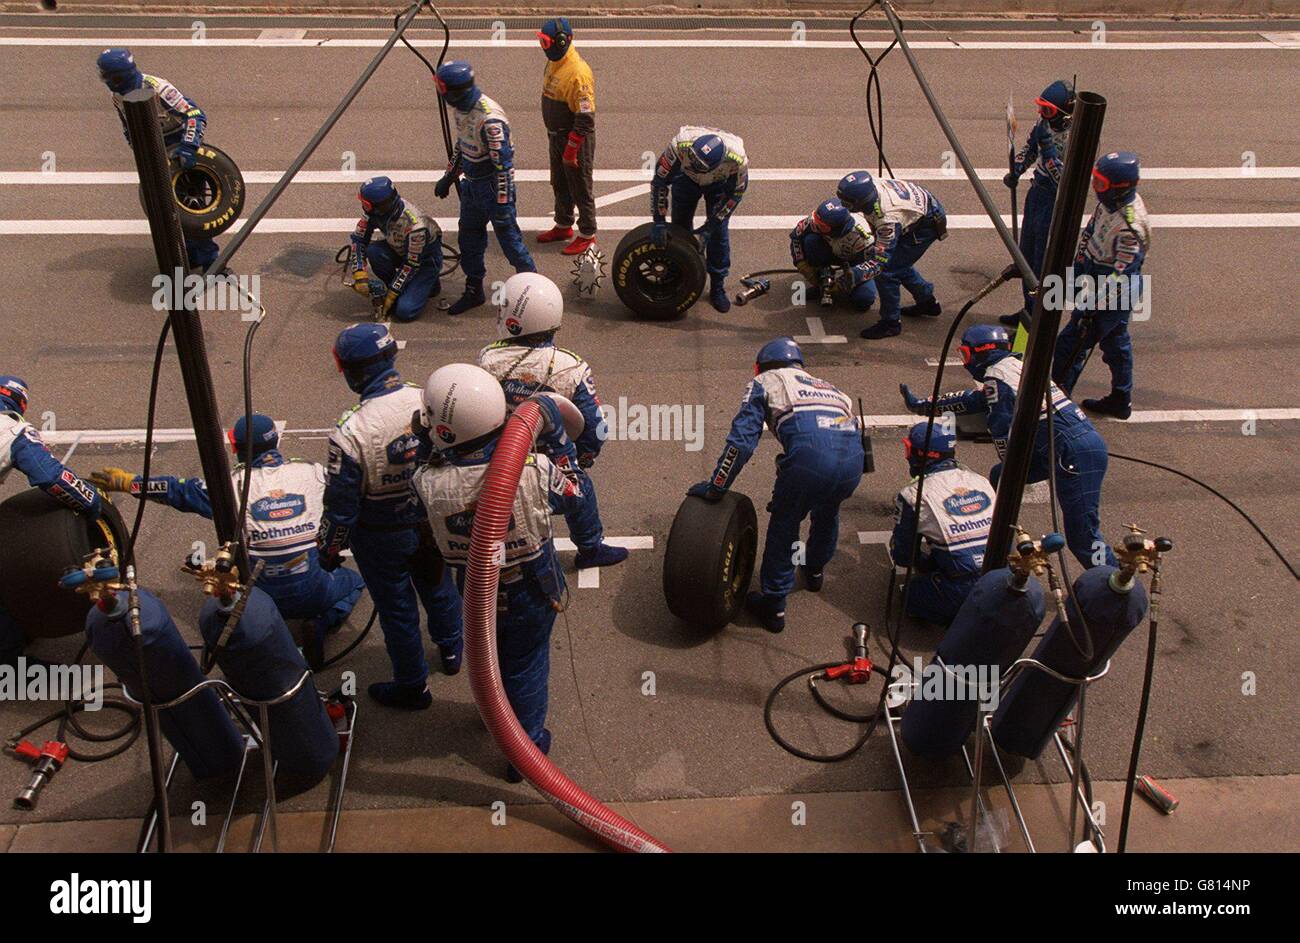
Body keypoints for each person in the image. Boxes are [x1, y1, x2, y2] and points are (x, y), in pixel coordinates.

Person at [412, 363, 587, 782]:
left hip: (473, 589)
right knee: (525, 665)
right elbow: (576, 493)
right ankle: (522, 749)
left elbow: (422, 506)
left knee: (486, 655)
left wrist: (426, 444)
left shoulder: (426, 482)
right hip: (531, 584)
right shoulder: (534, 471)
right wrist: (560, 443)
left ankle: (494, 712)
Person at [90, 413, 365, 651]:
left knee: (231, 587)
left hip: (260, 595)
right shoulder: (313, 473)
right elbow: (348, 501)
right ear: (276, 442)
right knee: (354, 581)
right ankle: (322, 622)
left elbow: (177, 491)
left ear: (235, 447)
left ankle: (265, 630)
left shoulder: (230, 485)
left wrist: (129, 483)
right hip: (314, 590)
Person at [320, 324, 463, 709]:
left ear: (350, 371)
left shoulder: (350, 431)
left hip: (380, 536)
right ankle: (452, 650)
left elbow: (340, 507)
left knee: (397, 612)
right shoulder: (428, 401)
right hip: (431, 522)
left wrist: (329, 550)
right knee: (439, 589)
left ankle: (412, 686)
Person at [899, 324, 1116, 569]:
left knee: (1083, 536)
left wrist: (1010, 467)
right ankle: (992, 537)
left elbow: (1001, 428)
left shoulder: (998, 378)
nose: (964, 363)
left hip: (1072, 452)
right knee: (999, 476)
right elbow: (974, 400)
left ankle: (1112, 586)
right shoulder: (1013, 367)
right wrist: (924, 406)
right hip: (1062, 447)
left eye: (966, 355)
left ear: (982, 352)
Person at [688, 338, 864, 632]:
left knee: (785, 523)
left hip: (809, 463)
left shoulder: (765, 382)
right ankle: (815, 569)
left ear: (761, 366)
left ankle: (774, 605)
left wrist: (717, 485)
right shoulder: (833, 389)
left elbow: (741, 443)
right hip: (853, 465)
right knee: (828, 510)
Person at [477, 272, 628, 569]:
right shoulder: (571, 366)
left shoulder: (487, 359)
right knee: (581, 492)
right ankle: (589, 549)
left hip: (496, 468)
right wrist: (581, 460)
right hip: (549, 470)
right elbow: (595, 429)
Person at [0, 377, 102, 666]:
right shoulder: (13, 429)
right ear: (20, 405)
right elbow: (51, 477)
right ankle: (7, 666)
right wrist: (91, 502)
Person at [96, 47, 221, 273]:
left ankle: (213, 262)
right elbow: (128, 127)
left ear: (118, 76)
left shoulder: (158, 87)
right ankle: (190, 252)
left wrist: (189, 147)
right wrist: (141, 151)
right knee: (168, 208)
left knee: (193, 206)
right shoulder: (117, 96)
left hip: (182, 143)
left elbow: (195, 114)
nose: (103, 80)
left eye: (105, 76)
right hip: (156, 148)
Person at [1052, 151, 1150, 420]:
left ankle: (1058, 402)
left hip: (1113, 289)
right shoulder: (1108, 204)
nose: (1096, 189)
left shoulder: (1130, 226)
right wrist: (1080, 264)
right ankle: (1120, 397)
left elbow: (1120, 274)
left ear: (1120, 188)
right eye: (1095, 181)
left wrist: (1092, 306)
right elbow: (1090, 231)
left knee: (1073, 343)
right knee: (1114, 343)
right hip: (1094, 272)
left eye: (1101, 184)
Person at [433, 61, 537, 317]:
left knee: (510, 243)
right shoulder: (461, 110)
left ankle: (534, 290)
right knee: (468, 238)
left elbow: (503, 167)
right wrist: (449, 176)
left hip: (493, 188)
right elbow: (461, 145)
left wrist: (503, 203)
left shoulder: (490, 120)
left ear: (456, 91)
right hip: (472, 186)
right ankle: (473, 289)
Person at [890, 422, 995, 626]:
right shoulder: (980, 480)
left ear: (919, 454)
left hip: (962, 587)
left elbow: (903, 555)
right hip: (1001, 579)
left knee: (910, 595)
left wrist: (925, 563)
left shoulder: (913, 495)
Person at [836, 171, 947, 339]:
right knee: (900, 264)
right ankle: (927, 302)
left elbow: (880, 263)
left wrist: (856, 275)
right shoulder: (872, 189)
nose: (844, 206)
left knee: (888, 272)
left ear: (862, 200)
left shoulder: (887, 218)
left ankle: (891, 323)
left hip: (926, 224)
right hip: (919, 209)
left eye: (848, 202)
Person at [650, 126, 749, 312]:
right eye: (693, 159)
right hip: (685, 179)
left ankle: (717, 285)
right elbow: (659, 182)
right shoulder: (679, 145)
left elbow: (735, 195)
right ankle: (676, 271)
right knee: (679, 227)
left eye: (700, 165)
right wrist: (659, 220)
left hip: (719, 184)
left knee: (718, 234)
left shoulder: (738, 159)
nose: (695, 164)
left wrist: (711, 226)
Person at [1001, 79, 1075, 327]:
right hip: (1038, 193)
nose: (1042, 115)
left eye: (1048, 110)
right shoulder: (1043, 124)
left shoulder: (1075, 137)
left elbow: (1064, 179)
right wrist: (1017, 169)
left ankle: (1039, 319)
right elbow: (1030, 148)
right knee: (1027, 253)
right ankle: (1028, 309)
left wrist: (1050, 151)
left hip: (1055, 201)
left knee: (1043, 260)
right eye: (1041, 109)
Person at [535, 18, 598, 256]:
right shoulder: (555, 62)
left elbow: (585, 118)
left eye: (546, 41)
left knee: (580, 185)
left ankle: (587, 234)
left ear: (561, 42)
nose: (542, 46)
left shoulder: (578, 73)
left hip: (574, 139)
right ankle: (563, 224)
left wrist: (572, 149)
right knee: (560, 182)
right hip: (556, 136)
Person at [348, 177, 444, 322]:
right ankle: (407, 289)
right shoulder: (373, 212)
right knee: (374, 251)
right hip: (398, 249)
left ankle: (429, 283)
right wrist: (359, 273)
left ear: (379, 205)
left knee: (405, 311)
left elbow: (411, 265)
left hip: (422, 261)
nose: (363, 207)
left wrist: (392, 294)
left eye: (365, 204)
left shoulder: (416, 227)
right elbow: (358, 240)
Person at [788, 198, 880, 312]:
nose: (816, 226)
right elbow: (796, 238)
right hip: (832, 251)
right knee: (810, 241)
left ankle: (843, 289)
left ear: (838, 228)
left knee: (864, 298)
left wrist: (845, 281)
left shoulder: (865, 238)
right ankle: (821, 283)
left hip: (858, 260)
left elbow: (874, 265)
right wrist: (800, 262)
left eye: (822, 226)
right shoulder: (817, 221)